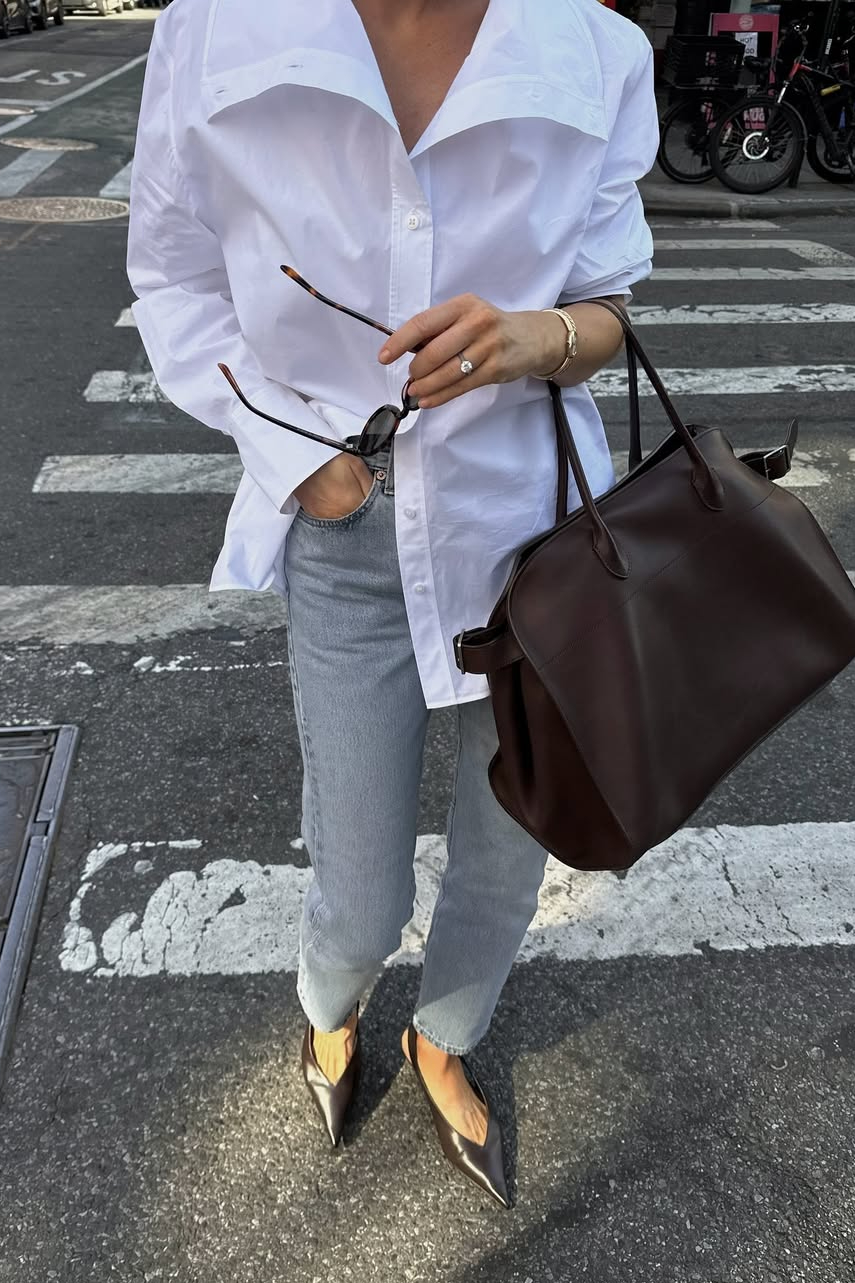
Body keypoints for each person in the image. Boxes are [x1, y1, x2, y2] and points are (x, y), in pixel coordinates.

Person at [127, 0, 658, 1209]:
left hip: (538, 541)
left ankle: (445, 1034)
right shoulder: (211, 28)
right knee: (360, 884)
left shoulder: (597, 46)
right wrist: (299, 461)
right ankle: (334, 999)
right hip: (345, 525)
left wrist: (536, 335)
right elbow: (174, 275)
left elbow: (608, 310)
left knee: (509, 849)